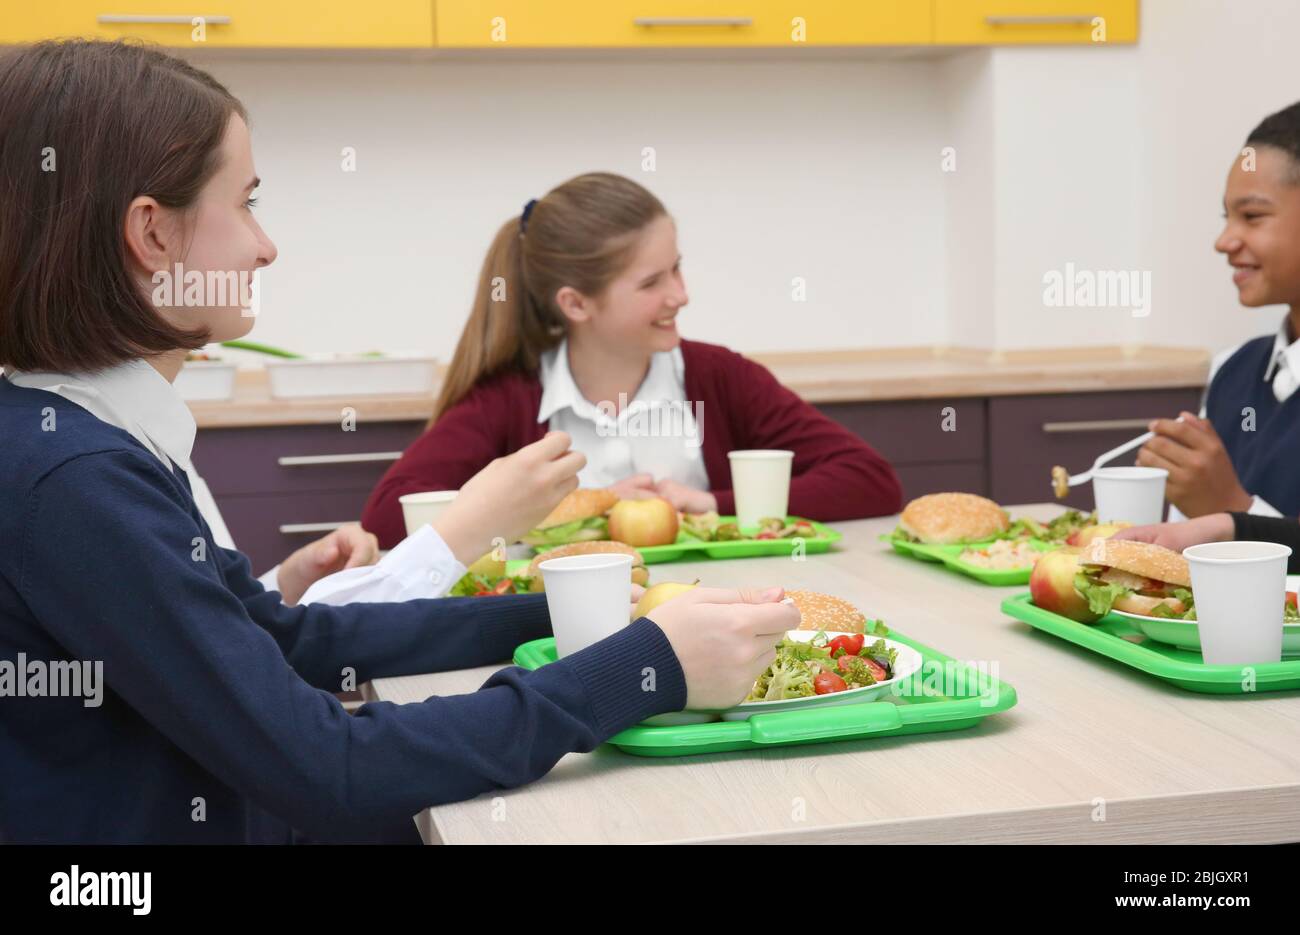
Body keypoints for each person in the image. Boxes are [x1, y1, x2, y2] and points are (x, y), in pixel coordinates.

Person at [0, 39, 798, 844]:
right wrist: (642, 668)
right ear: (153, 233)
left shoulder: (85, 445)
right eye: (245, 202)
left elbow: (286, 638)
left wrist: (569, 613)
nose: (265, 245)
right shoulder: (77, 479)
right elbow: (327, 766)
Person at [362, 172, 903, 549]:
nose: (681, 294)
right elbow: (388, 518)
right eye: (652, 282)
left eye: (677, 269)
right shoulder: (508, 399)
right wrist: (576, 508)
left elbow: (871, 480)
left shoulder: (720, 377)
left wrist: (713, 503)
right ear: (576, 304)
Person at [1137, 101, 1300, 519]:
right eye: (1227, 217)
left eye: (1252, 216)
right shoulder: (1234, 370)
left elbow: (1217, 518)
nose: (1224, 240)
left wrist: (1231, 510)